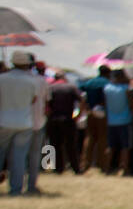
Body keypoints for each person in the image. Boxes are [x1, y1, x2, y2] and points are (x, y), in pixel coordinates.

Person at [0, 50, 42, 195]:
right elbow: (33, 100)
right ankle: (16, 189)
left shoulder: (2, 79)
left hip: (3, 121)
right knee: (19, 157)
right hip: (24, 122)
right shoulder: (32, 81)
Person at [45, 71, 82, 174]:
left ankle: (58, 169)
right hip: (68, 119)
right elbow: (82, 99)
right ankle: (76, 169)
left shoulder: (50, 88)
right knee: (71, 145)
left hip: (53, 119)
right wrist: (78, 114)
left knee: (54, 145)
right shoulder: (71, 87)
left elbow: (46, 103)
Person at [79, 63, 112, 173]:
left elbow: (82, 92)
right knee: (103, 138)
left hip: (90, 112)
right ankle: (102, 165)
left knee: (89, 138)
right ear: (108, 73)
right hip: (103, 113)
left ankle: (85, 164)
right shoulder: (107, 83)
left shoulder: (90, 82)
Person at [24, 61, 51, 193]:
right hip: (37, 121)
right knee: (34, 155)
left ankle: (16, 185)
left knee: (17, 156)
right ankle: (31, 186)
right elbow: (47, 103)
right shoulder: (42, 81)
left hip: (15, 121)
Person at [103, 69, 133, 175]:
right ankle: (124, 169)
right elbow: (130, 105)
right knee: (125, 147)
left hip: (111, 121)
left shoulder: (107, 88)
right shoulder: (126, 89)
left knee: (110, 146)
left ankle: (106, 169)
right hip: (125, 121)